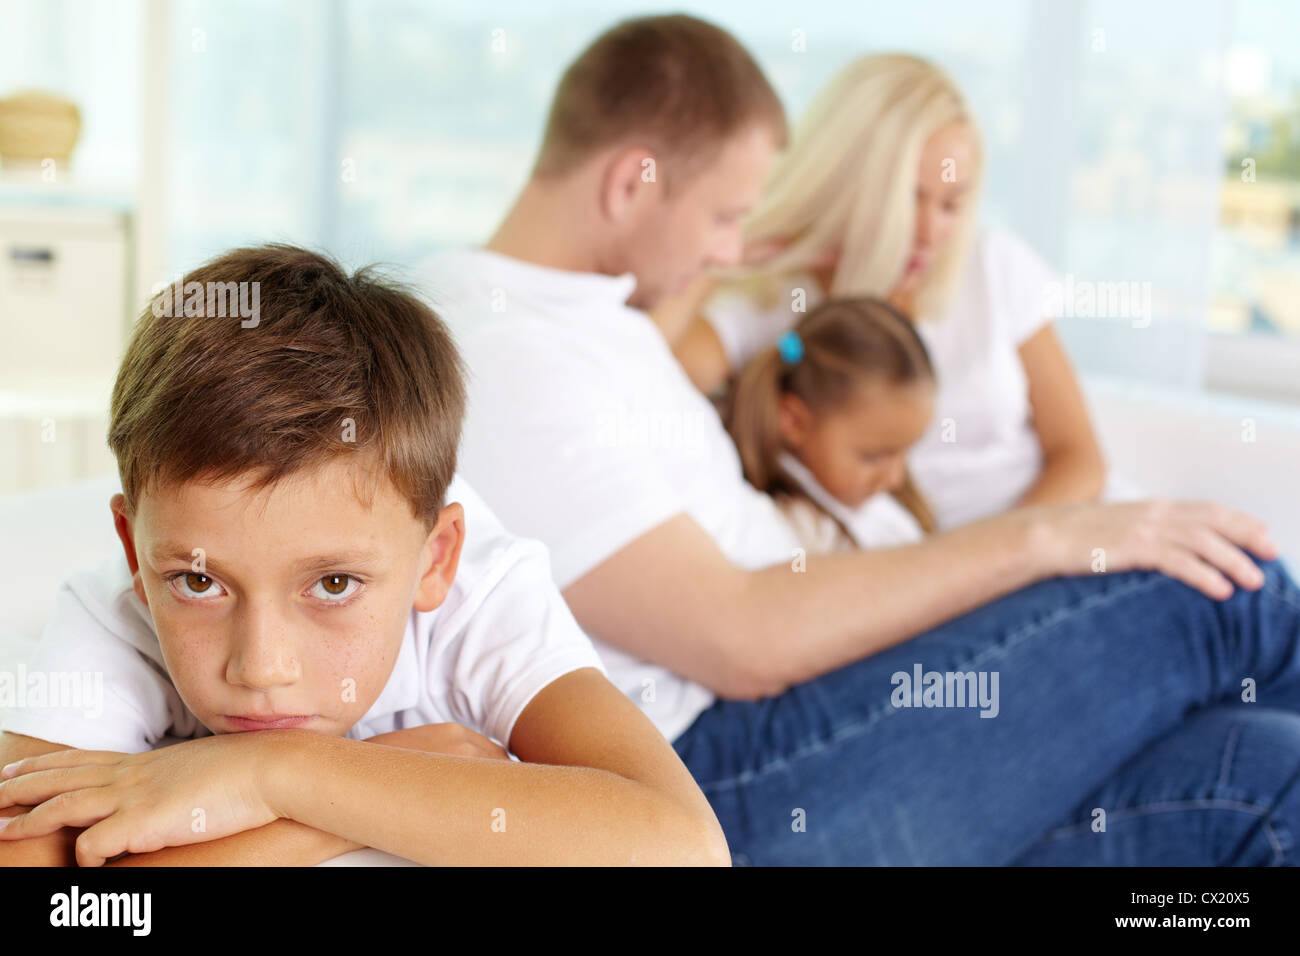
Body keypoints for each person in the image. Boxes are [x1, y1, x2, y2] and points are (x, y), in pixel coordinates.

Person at [417, 14, 1300, 865]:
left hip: (806, 726)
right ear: (630, 183)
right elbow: (740, 638)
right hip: (732, 773)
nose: (730, 250)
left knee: (1263, 777)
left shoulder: (592, 320)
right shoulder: (503, 353)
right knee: (1224, 590)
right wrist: (1046, 537)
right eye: (725, 216)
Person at [0, 244, 729, 867]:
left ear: (435, 559)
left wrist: (272, 773)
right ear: (134, 550)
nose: (260, 669)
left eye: (334, 584)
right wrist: (337, 800)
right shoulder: (115, 614)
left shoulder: (482, 593)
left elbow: (683, 846)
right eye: (198, 581)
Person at [665, 53, 1117, 531]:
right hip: (956, 579)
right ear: (846, 186)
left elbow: (1081, 458)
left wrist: (998, 557)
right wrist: (736, 250)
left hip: (1063, 542)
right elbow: (651, 379)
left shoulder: (991, 264)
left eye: (952, 203)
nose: (929, 232)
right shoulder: (776, 305)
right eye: (907, 199)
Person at [722, 297, 936, 554]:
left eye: (905, 451)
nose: (895, 479)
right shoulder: (794, 532)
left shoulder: (879, 503)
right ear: (795, 422)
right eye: (873, 457)